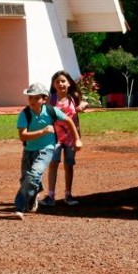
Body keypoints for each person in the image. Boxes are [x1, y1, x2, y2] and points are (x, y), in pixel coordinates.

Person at [14, 82, 82, 220]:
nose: (32, 101)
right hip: (28, 151)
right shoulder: (25, 114)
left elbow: (69, 120)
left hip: (47, 149)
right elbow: (23, 136)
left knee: (33, 176)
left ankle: (19, 206)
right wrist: (43, 131)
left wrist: (77, 139)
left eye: (36, 98)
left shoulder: (51, 110)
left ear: (44, 99)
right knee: (26, 179)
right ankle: (34, 194)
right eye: (30, 98)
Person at [41, 70, 88, 207]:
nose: (60, 84)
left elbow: (84, 103)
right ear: (53, 85)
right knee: (54, 163)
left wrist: (83, 105)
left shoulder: (74, 96)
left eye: (63, 81)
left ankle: (68, 194)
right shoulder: (52, 99)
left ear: (68, 83)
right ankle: (51, 195)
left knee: (69, 164)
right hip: (55, 137)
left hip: (71, 137)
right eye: (57, 82)